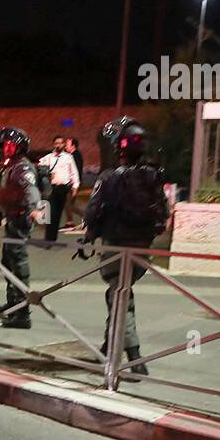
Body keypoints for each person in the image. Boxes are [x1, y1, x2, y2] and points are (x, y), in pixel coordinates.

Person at [80, 117, 170, 376]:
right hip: (142, 247)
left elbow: (94, 212)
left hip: (117, 246)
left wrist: (89, 237)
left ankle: (135, 357)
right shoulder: (153, 174)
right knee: (121, 294)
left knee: (119, 296)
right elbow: (163, 211)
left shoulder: (110, 177)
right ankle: (110, 347)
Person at [0, 126, 40, 329]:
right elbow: (8, 194)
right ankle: (13, 304)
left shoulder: (23, 167)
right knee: (9, 262)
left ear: (20, 146)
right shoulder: (11, 166)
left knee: (18, 264)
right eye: (5, 145)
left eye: (10, 144)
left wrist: (35, 209)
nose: (6, 148)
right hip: (12, 219)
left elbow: (30, 190)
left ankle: (22, 313)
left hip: (20, 221)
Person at [37, 136, 79, 241]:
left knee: (59, 213)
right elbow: (40, 167)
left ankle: (53, 237)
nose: (58, 145)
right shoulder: (49, 157)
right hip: (53, 189)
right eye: (56, 143)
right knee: (52, 214)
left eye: (60, 143)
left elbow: (74, 172)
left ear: (64, 144)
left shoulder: (68, 157)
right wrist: (47, 173)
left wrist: (75, 186)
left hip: (64, 188)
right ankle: (49, 239)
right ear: (53, 145)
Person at [63, 137, 85, 227]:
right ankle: (69, 222)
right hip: (70, 183)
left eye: (67, 144)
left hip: (73, 184)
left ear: (73, 146)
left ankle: (86, 216)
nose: (65, 146)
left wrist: (74, 185)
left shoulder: (76, 156)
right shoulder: (71, 155)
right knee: (68, 204)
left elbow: (76, 171)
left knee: (68, 204)